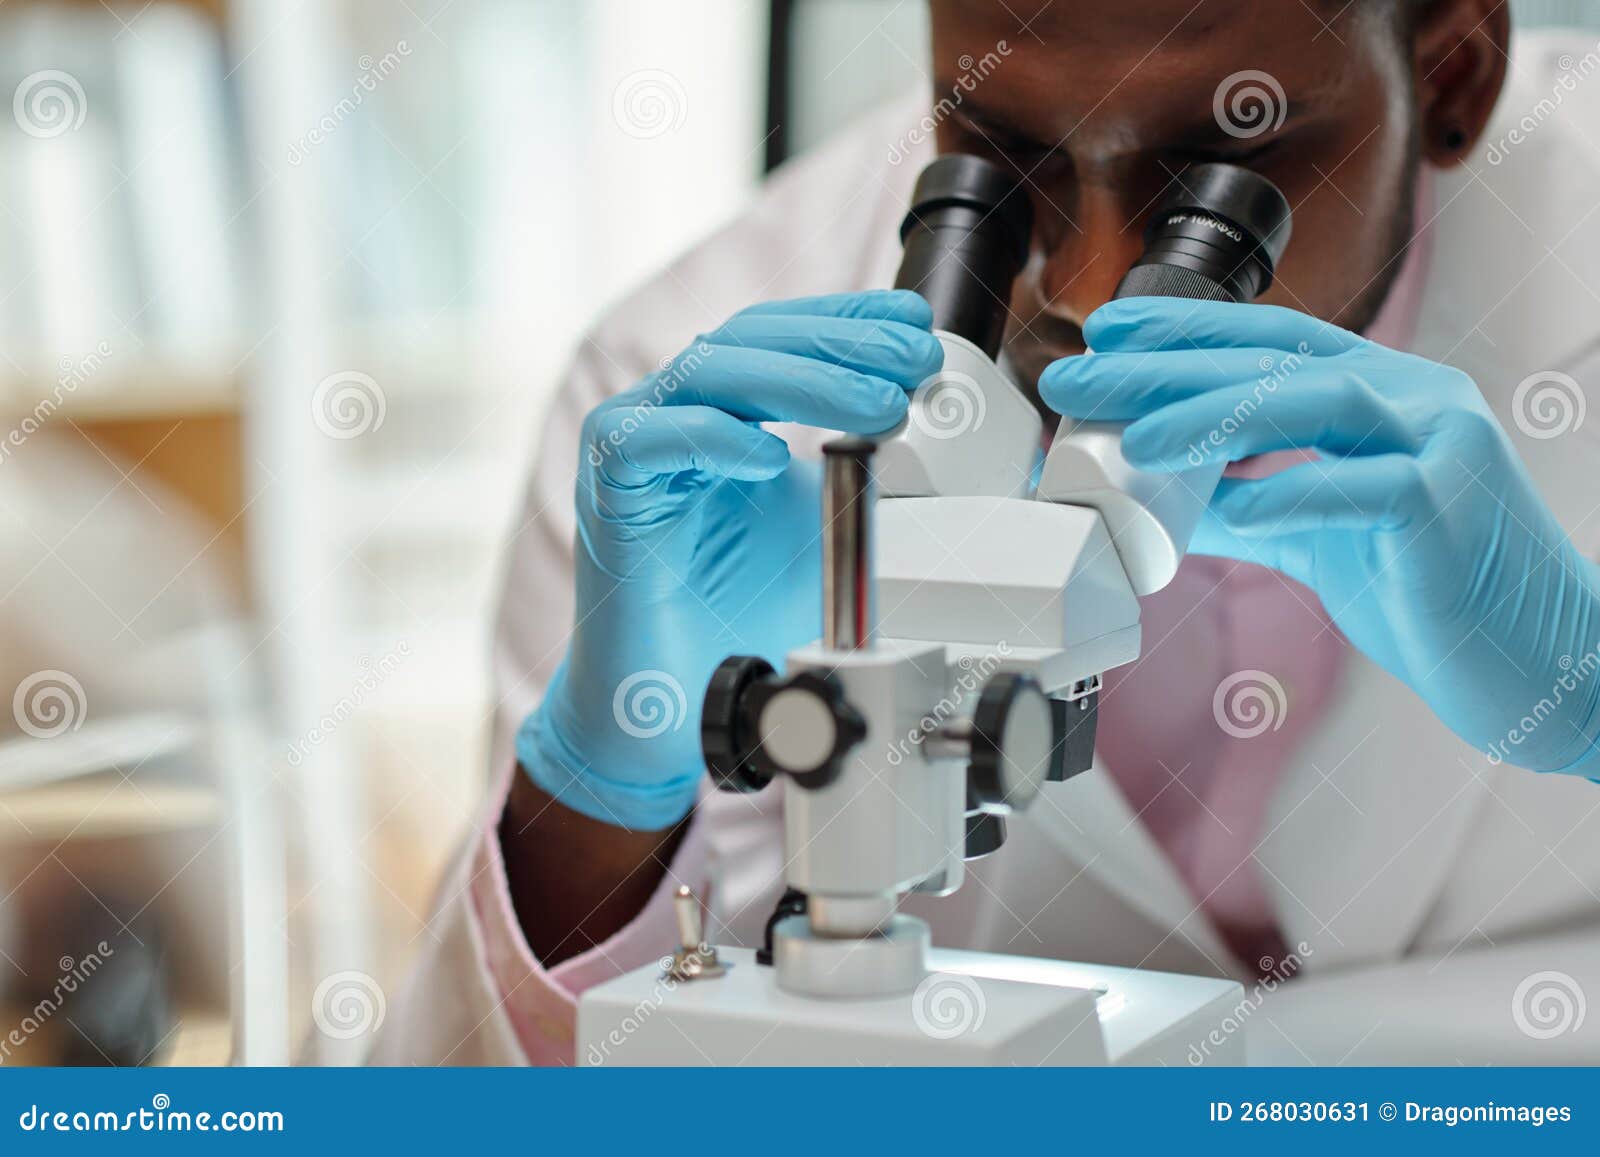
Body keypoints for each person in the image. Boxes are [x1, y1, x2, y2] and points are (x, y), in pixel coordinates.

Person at [374, 0, 1600, 1065]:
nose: (1086, 283)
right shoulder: (686, 398)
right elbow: (459, 1102)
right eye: (1004, 159)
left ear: (1449, 73)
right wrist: (601, 791)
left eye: (1220, 164)